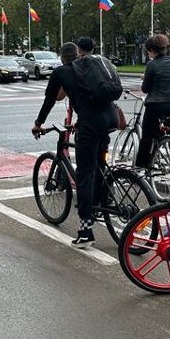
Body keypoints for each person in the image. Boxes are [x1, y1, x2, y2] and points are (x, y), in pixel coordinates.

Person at [32, 38, 118, 248]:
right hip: (110, 118)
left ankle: (85, 230)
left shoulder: (62, 72)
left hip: (90, 124)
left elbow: (51, 100)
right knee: (98, 165)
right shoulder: (92, 67)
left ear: (61, 57)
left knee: (85, 174)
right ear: (79, 53)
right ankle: (100, 202)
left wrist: (38, 123)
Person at [135, 34, 170, 168]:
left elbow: (145, 89)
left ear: (151, 50)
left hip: (156, 106)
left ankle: (141, 167)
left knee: (147, 137)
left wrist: (146, 78)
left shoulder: (152, 64)